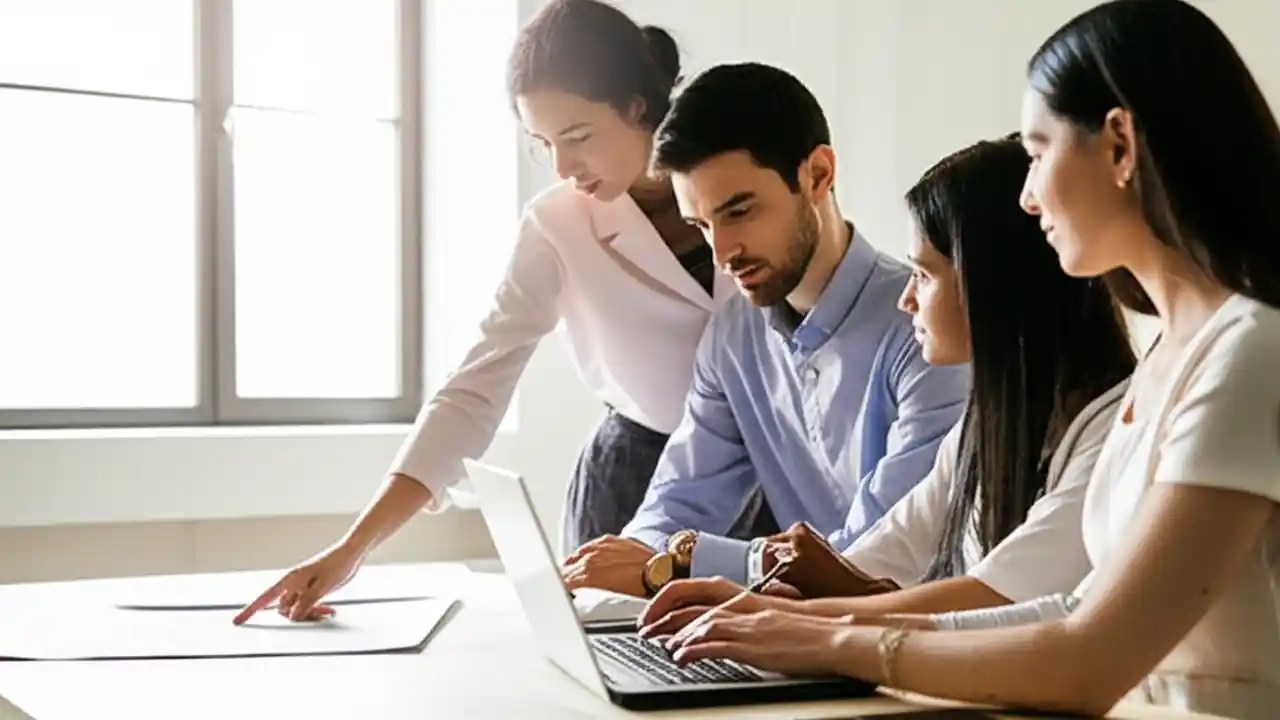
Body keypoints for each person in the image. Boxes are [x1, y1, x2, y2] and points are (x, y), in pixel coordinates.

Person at [646, 2, 1280, 718]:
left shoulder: (1248, 353)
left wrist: (833, 642)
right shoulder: (1175, 355)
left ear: (1119, 146)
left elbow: (1089, 656)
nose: (1027, 196)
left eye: (1037, 153)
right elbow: (1069, 611)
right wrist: (792, 621)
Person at [234, 0, 736, 625]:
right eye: (543, 144)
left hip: (767, 479)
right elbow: (475, 388)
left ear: (638, 108)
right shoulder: (557, 226)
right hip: (634, 484)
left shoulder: (746, 186)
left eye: (577, 137)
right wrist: (352, 548)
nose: (562, 167)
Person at [639, 134, 1136, 633]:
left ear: (992, 283)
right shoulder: (983, 426)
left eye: (924, 275)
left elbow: (996, 596)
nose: (907, 299)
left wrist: (778, 616)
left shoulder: (1110, 432)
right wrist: (746, 600)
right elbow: (881, 556)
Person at [562, 63, 969, 597]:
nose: (721, 253)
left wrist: (671, 566)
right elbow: (678, 500)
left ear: (817, 175)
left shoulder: (930, 331)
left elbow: (880, 554)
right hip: (797, 621)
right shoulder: (732, 337)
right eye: (701, 225)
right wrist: (615, 575)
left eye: (738, 212)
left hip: (908, 624)